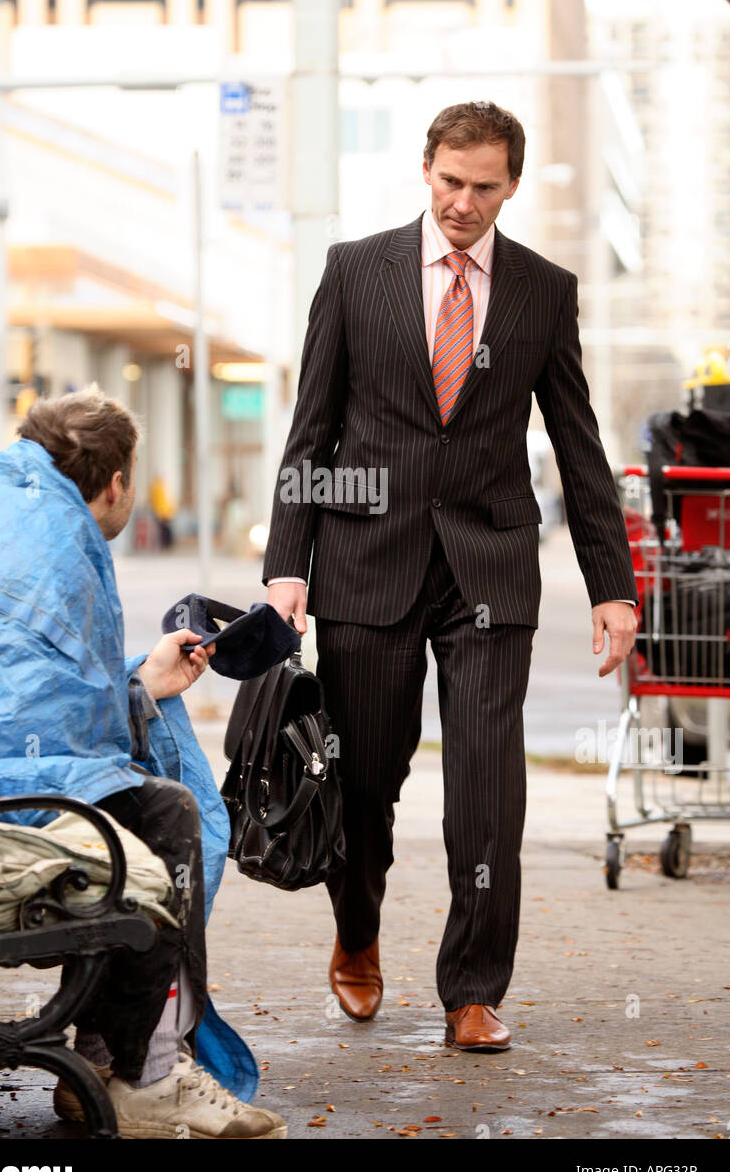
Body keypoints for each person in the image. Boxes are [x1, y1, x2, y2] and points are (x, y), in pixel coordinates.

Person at [264, 101, 638, 1052]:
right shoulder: (356, 272)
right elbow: (311, 430)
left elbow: (577, 443)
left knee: (485, 787)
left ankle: (472, 988)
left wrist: (613, 585)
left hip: (490, 565)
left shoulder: (544, 291)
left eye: (484, 187)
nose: (465, 202)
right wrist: (285, 568)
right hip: (365, 562)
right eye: (450, 183)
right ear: (424, 170)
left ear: (511, 185)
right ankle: (357, 929)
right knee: (363, 780)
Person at [0, 387, 286, 1138]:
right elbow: (69, 737)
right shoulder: (70, 546)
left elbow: (29, 689)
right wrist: (135, 699)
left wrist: (142, 683)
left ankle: (108, 1056)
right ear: (116, 484)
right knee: (165, 812)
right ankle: (140, 1073)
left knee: (128, 794)